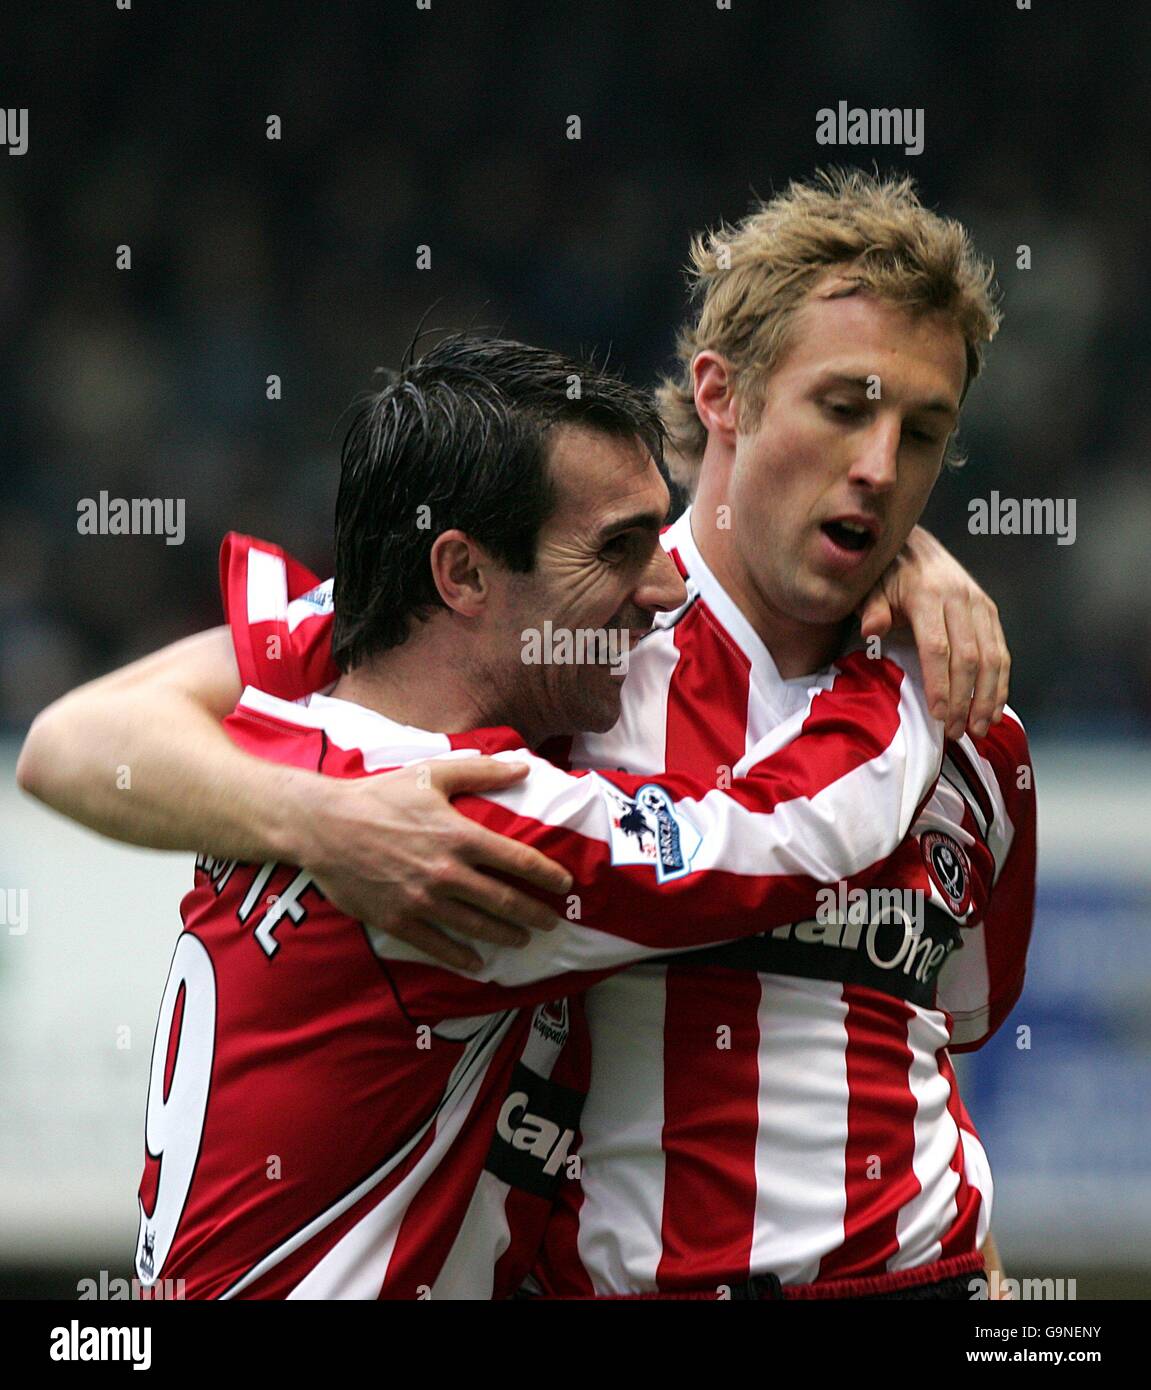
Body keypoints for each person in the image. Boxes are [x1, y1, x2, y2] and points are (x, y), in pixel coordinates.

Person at [18, 169, 1032, 1299]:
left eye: (924, 431)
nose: (881, 467)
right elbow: (73, 738)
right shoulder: (538, 650)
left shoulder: (976, 725)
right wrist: (331, 822)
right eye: (844, 407)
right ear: (722, 394)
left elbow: (933, 1039)